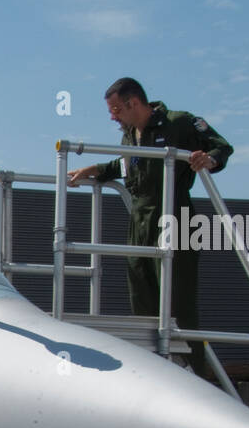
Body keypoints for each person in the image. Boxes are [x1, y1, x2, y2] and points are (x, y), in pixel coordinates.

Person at [68, 78, 233, 371]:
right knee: (141, 296)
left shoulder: (178, 123)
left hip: (174, 217)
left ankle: (191, 370)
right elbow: (126, 165)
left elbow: (221, 147)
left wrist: (207, 159)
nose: (112, 116)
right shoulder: (129, 135)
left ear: (134, 103)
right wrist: (95, 170)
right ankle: (153, 369)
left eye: (116, 109)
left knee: (177, 299)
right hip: (139, 220)